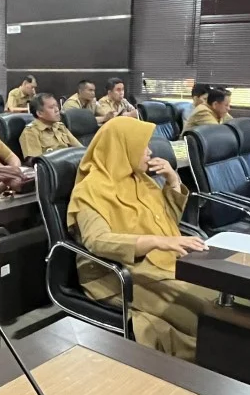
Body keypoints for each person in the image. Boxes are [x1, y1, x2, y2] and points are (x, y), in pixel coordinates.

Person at [68, 117, 216, 361]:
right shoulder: (90, 189)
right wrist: (157, 241)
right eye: (142, 145)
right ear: (122, 147)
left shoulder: (140, 178)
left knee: (218, 295)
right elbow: (97, 240)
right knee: (202, 311)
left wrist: (173, 179)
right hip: (119, 273)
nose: (148, 151)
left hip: (162, 261)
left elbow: (167, 221)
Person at [20, 93, 82, 160]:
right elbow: (35, 161)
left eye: (57, 106)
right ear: (40, 113)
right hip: (52, 165)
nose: (57, 110)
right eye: (51, 107)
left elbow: (80, 149)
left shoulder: (60, 126)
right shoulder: (30, 132)